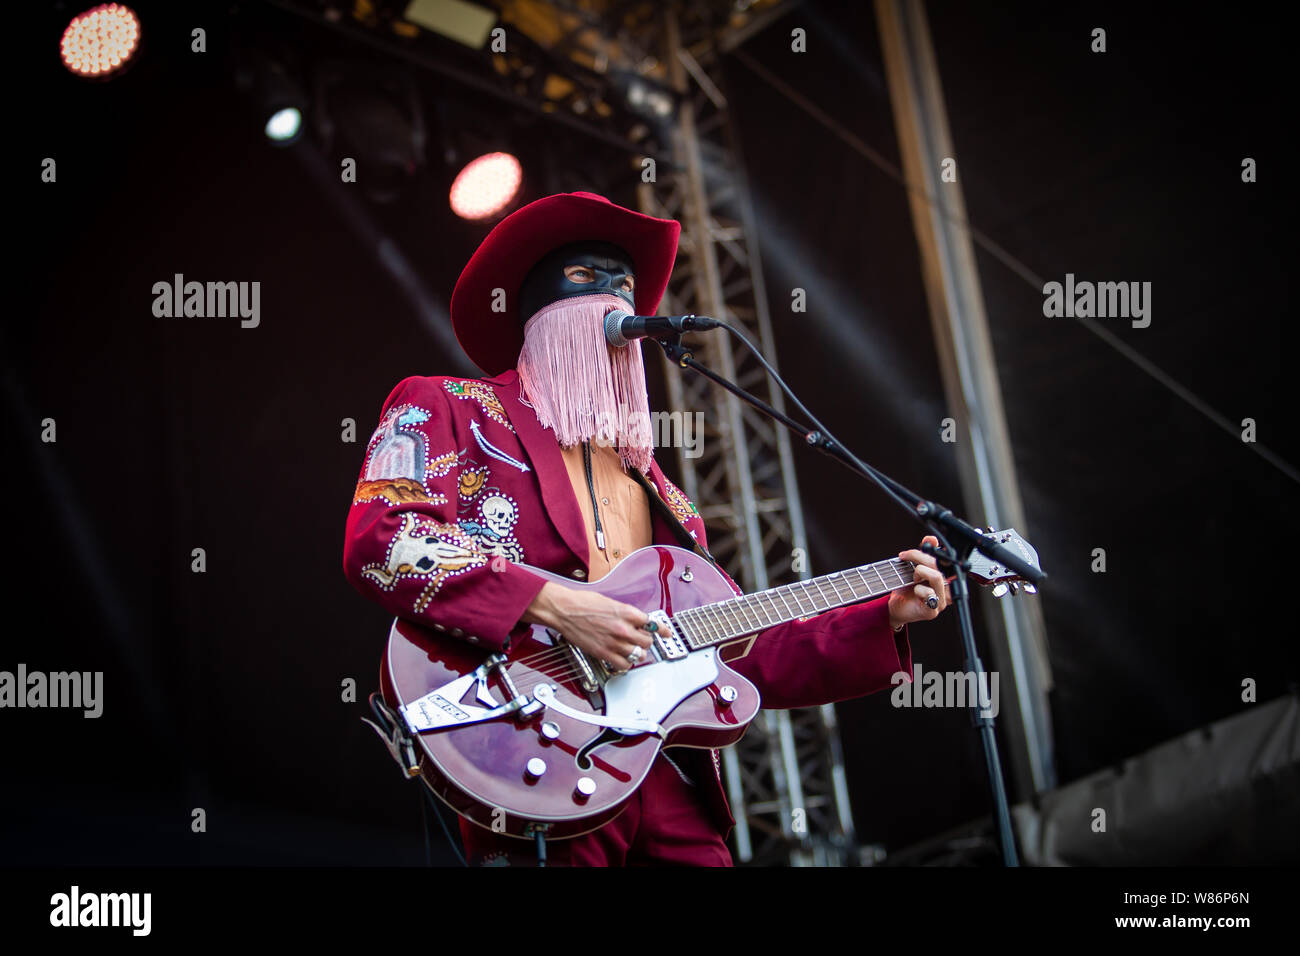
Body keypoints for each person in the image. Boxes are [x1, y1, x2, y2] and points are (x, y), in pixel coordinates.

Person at [343, 191, 951, 866]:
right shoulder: (451, 408)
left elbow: (739, 654)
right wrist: (558, 605)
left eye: (627, 287)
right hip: (528, 744)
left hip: (662, 774)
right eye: (586, 281)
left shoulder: (667, 500)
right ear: (538, 315)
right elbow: (382, 536)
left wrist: (883, 617)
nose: (616, 300)